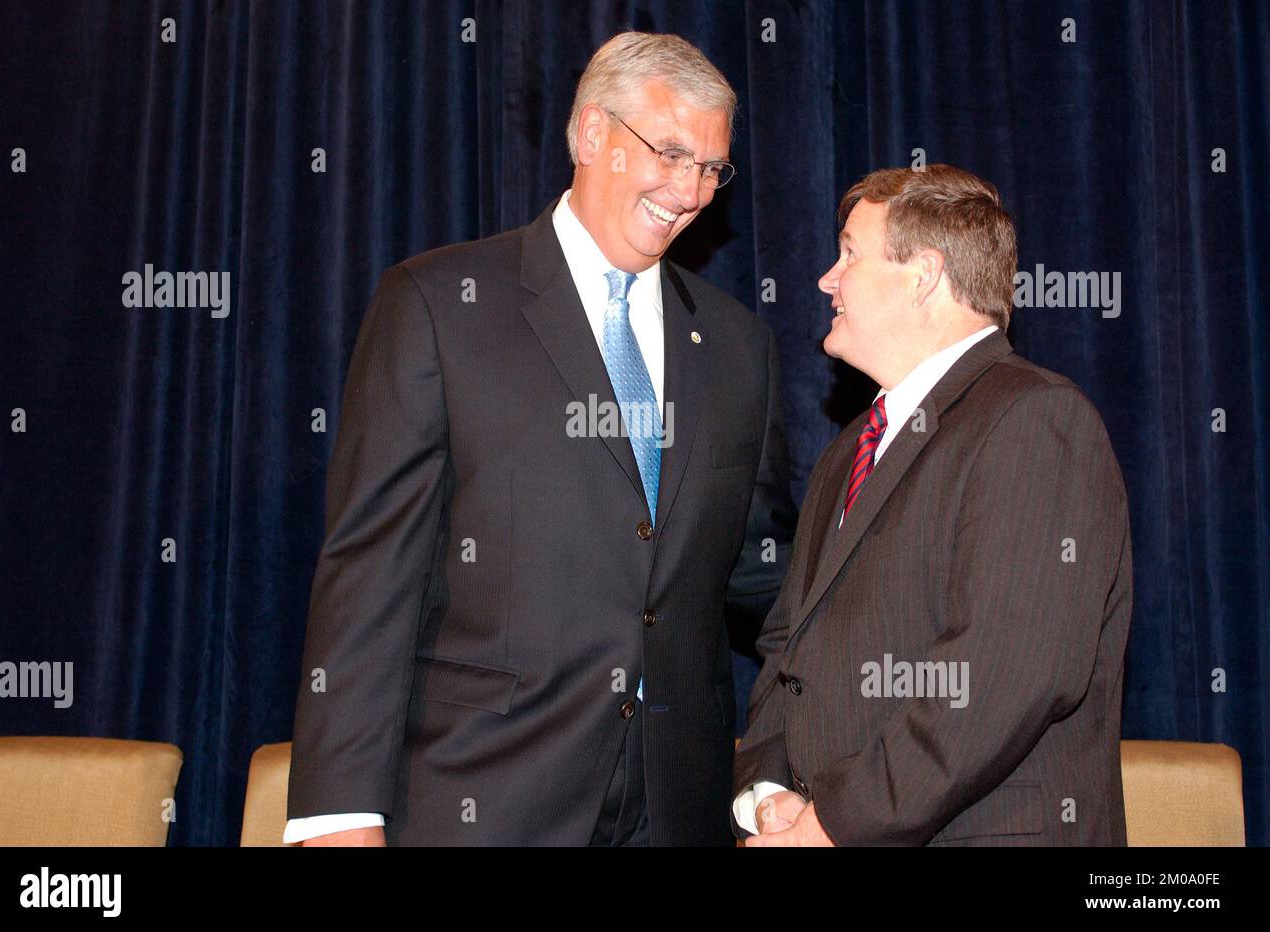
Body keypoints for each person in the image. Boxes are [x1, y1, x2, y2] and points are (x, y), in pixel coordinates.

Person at [285, 31, 796, 846]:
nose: (691, 189)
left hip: (676, 810)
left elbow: (767, 584)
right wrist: (338, 816)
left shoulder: (739, 347)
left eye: (711, 167)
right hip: (484, 802)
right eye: (669, 153)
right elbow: (370, 577)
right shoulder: (440, 305)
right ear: (592, 133)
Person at [732, 164, 1132, 846]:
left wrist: (834, 822)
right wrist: (767, 790)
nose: (828, 278)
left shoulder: (1036, 420)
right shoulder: (848, 451)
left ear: (923, 275)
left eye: (850, 253)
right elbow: (787, 645)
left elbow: (1005, 674)